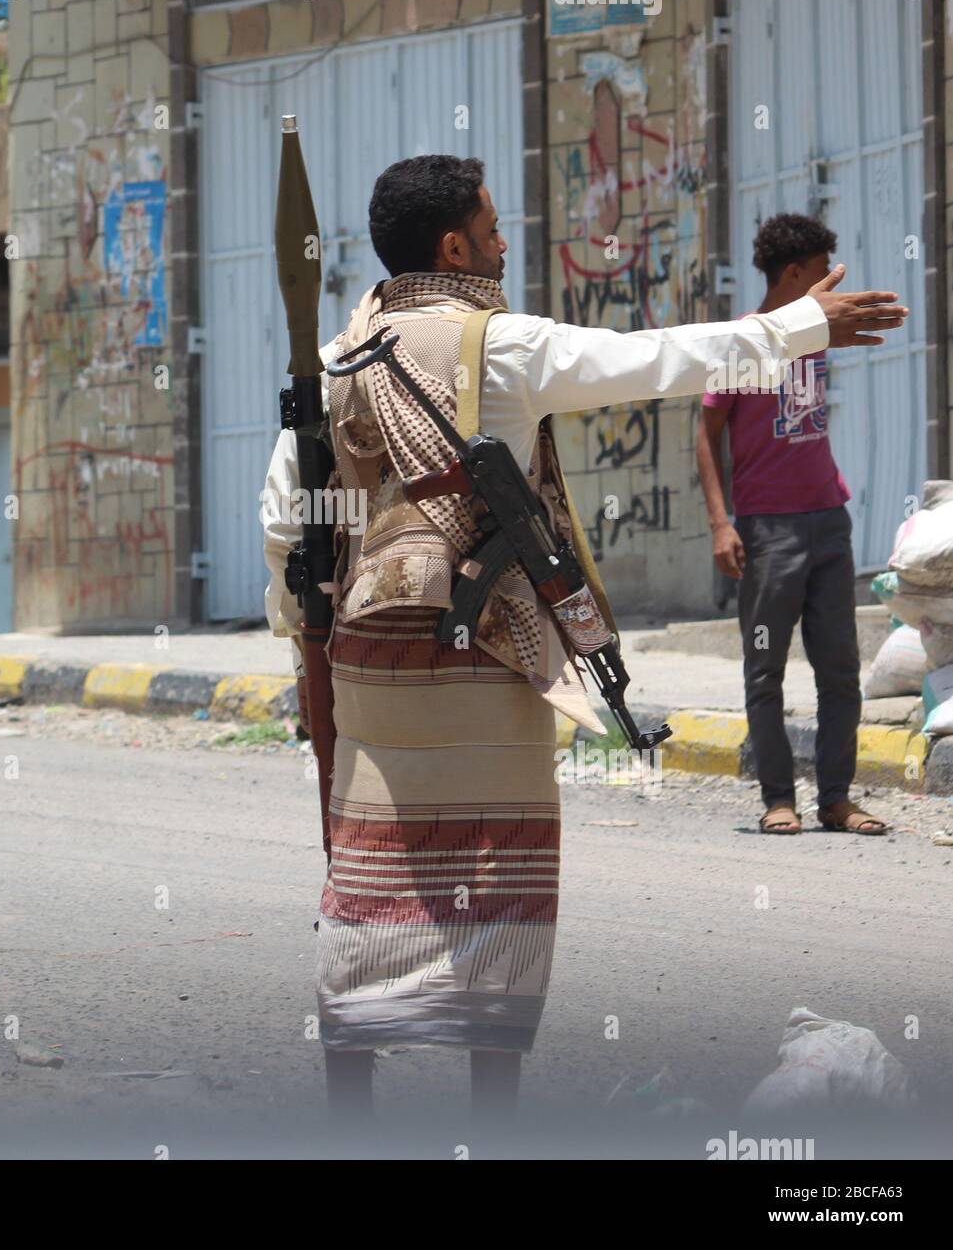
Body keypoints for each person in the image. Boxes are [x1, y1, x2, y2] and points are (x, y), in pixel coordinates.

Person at [261, 157, 904, 1128]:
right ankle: (492, 1125)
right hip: (483, 666)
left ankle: (352, 1120)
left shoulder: (340, 354)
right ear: (454, 247)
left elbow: (285, 521)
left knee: (367, 892)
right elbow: (652, 361)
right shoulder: (499, 346)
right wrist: (805, 325)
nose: (506, 241)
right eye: (491, 225)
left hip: (366, 673)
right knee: (496, 899)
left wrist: (309, 654)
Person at [696, 213, 888, 838]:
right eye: (824, 273)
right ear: (797, 274)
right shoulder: (744, 340)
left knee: (840, 672)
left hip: (828, 521)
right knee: (764, 668)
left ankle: (836, 798)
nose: (831, 288)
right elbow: (706, 432)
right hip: (767, 531)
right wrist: (721, 523)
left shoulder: (819, 334)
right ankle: (779, 798)